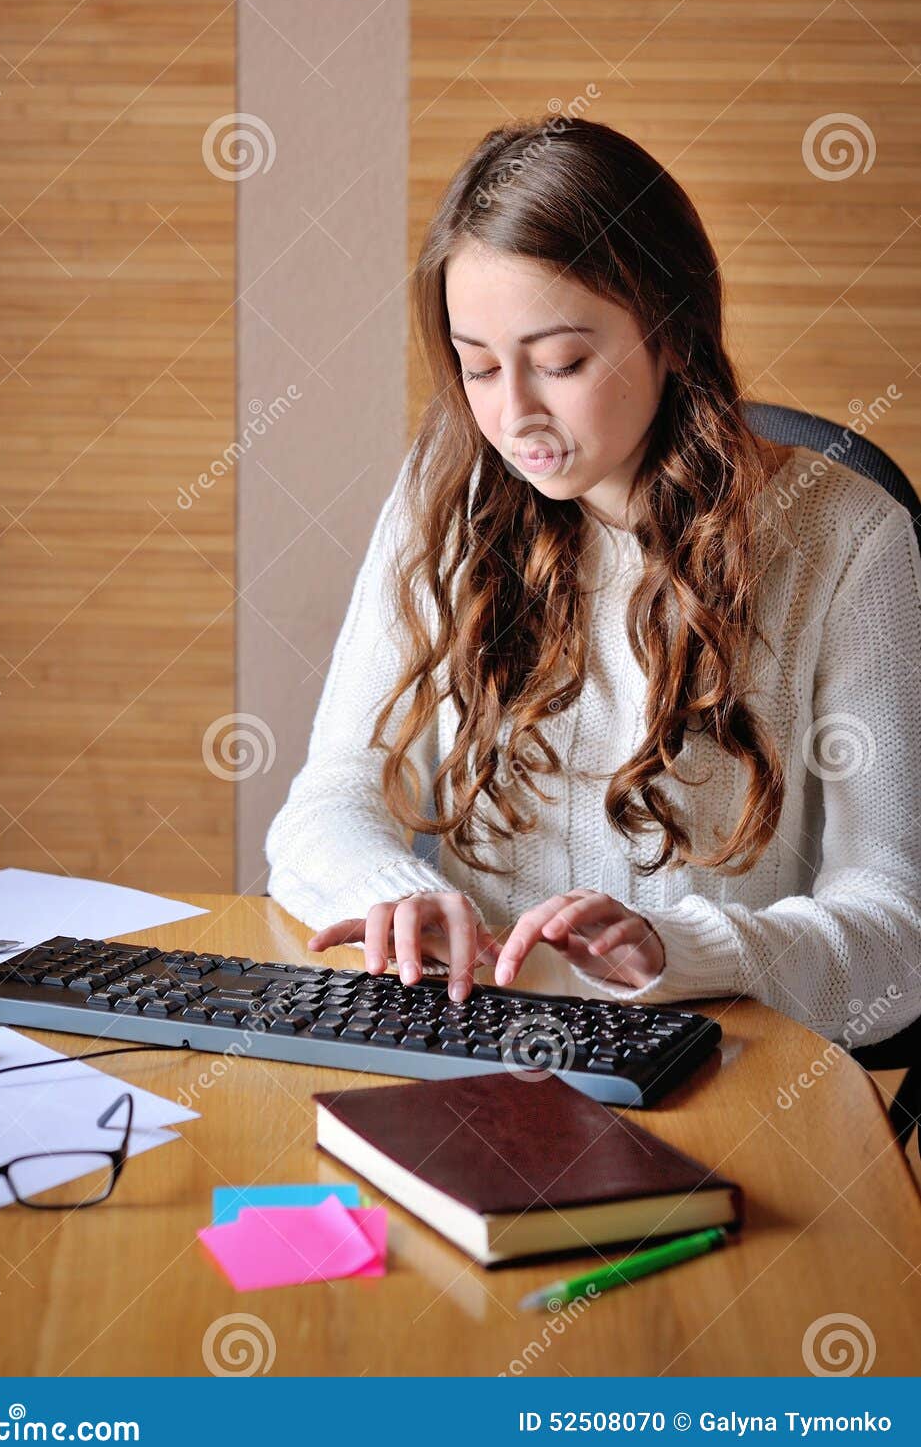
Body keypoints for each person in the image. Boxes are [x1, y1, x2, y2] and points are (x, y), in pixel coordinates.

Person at [264, 114, 921, 1047]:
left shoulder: (849, 540)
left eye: (561, 362)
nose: (513, 414)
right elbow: (329, 797)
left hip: (716, 1056)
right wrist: (396, 892)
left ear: (672, 331)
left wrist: (676, 952)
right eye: (479, 367)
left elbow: (896, 936)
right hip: (465, 1042)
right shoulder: (444, 496)